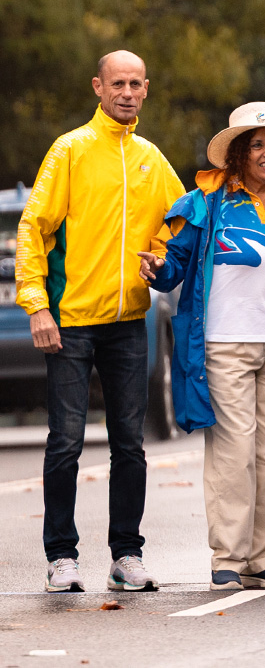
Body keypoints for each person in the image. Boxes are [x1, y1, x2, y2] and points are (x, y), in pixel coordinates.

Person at [17, 50, 183, 593]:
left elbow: (181, 223)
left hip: (129, 322)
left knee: (129, 444)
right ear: (98, 86)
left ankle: (126, 556)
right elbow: (33, 229)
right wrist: (37, 305)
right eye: (118, 83)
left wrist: (160, 261)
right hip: (70, 322)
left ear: (146, 88)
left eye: (136, 83)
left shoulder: (152, 159)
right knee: (65, 441)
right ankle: (61, 557)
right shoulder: (69, 150)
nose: (128, 92)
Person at [139, 103, 265, 591]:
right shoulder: (207, 201)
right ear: (237, 153)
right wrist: (157, 269)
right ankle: (228, 557)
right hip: (225, 343)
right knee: (233, 451)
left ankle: (262, 556)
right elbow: (174, 262)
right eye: (256, 144)